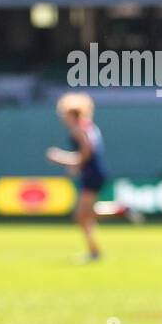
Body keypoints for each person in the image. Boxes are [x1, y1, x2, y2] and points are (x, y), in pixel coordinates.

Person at [45, 91, 139, 261]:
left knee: (82, 215)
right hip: (93, 173)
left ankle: (98, 246)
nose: (63, 118)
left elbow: (87, 151)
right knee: (84, 215)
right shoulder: (87, 126)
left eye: (64, 114)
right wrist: (77, 164)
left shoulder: (78, 129)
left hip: (92, 174)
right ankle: (117, 214)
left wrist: (63, 159)